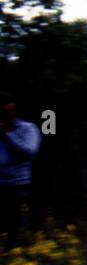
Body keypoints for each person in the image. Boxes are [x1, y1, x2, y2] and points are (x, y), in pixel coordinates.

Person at [0, 92, 41, 241]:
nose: (6, 115)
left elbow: (29, 152)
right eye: (3, 112)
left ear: (15, 111)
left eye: (9, 111)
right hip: (1, 184)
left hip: (18, 185)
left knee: (15, 227)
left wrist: (8, 134)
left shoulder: (28, 129)